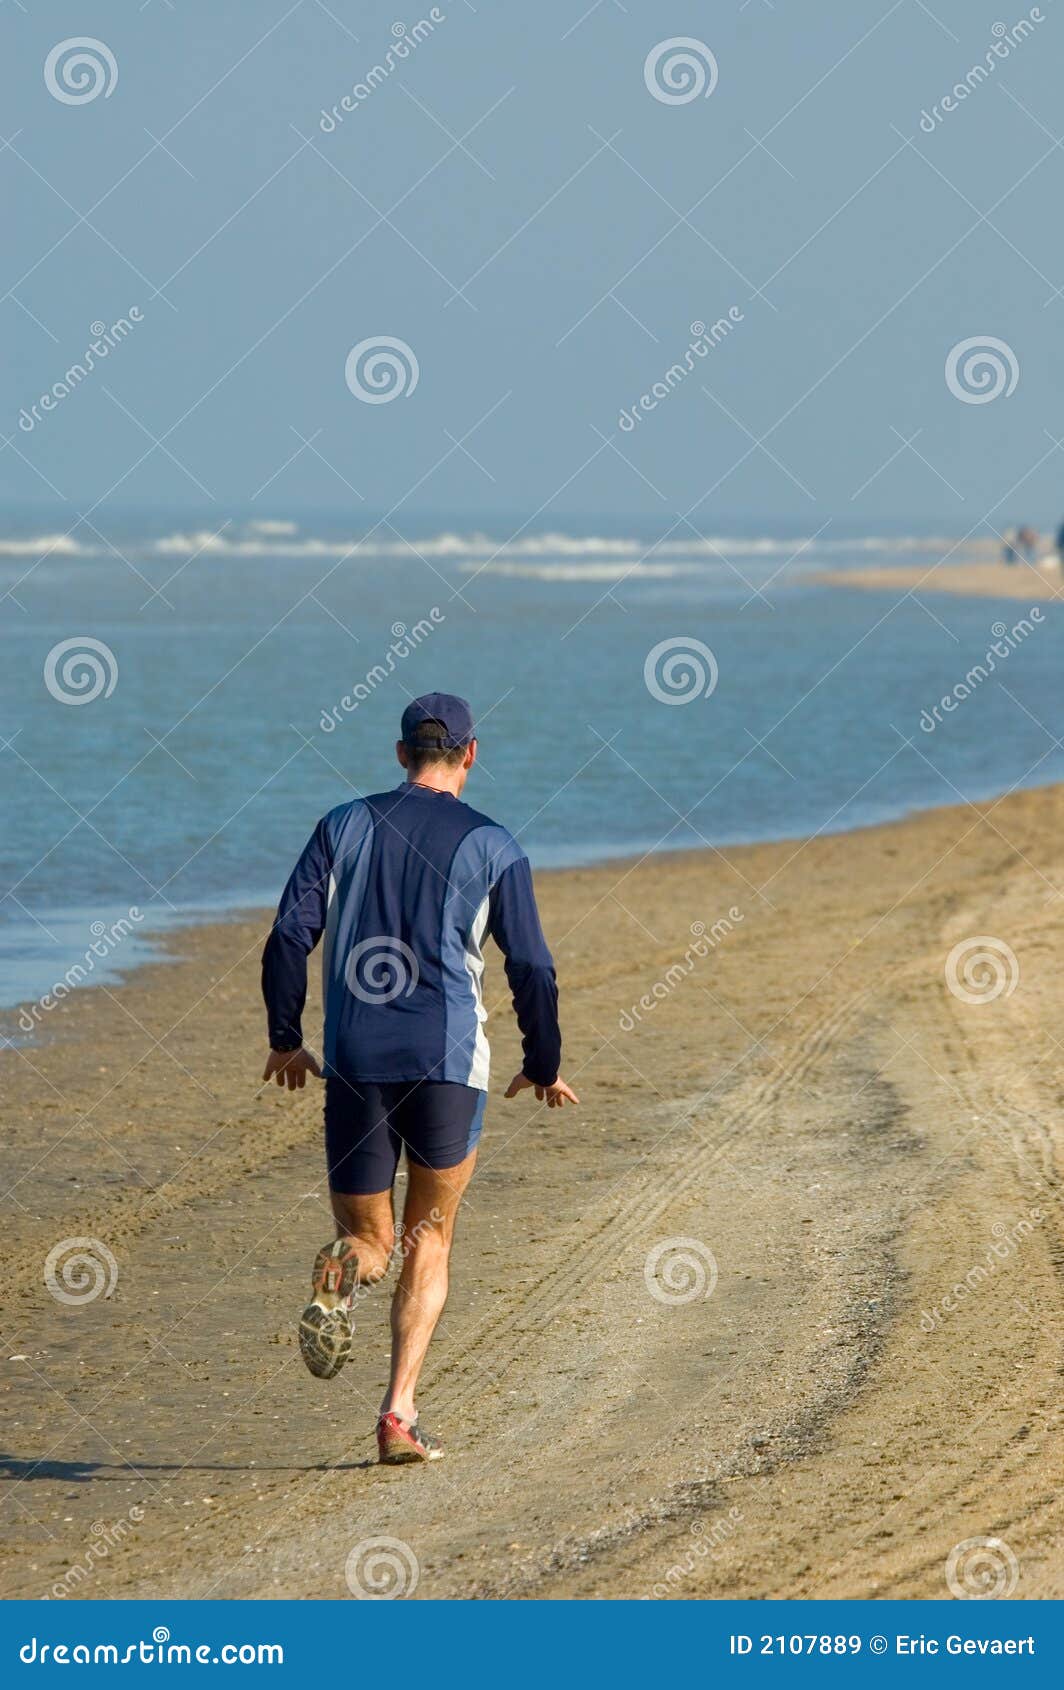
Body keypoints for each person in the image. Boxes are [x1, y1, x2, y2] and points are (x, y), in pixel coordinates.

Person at [260, 692, 578, 1463]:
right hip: (448, 1065)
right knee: (427, 1240)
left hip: (356, 1062)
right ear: (471, 754)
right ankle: (398, 1416)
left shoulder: (341, 826)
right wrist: (543, 1063)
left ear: (401, 754)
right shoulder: (494, 845)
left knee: (367, 1239)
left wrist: (286, 1038)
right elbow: (531, 965)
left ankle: (344, 1268)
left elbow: (286, 937)